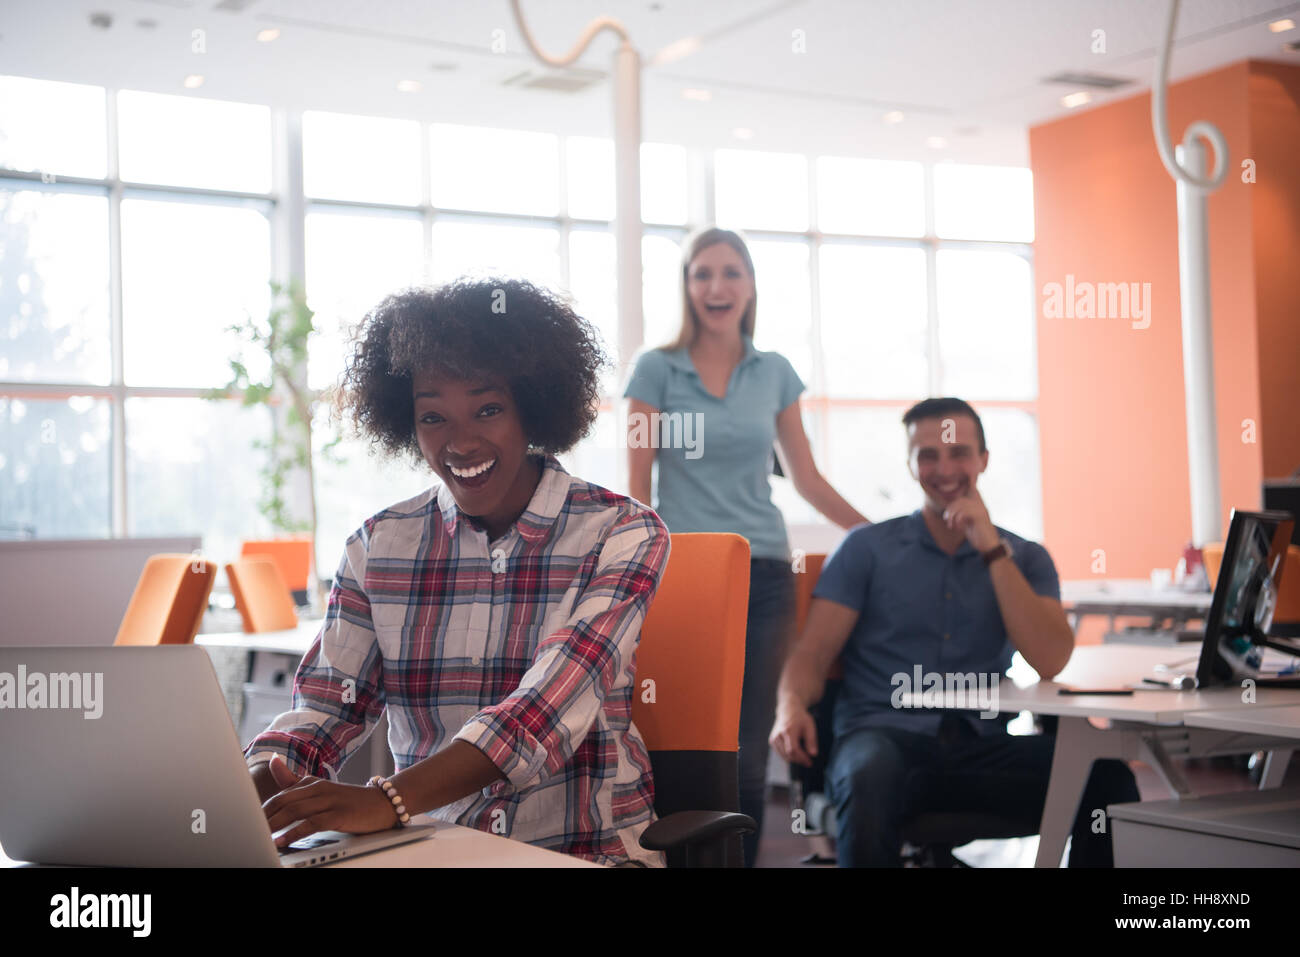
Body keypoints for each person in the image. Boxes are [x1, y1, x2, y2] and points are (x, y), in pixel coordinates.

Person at [244, 277, 670, 867]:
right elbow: (327, 706)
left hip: (580, 853)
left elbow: (542, 713)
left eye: (488, 409)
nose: (461, 442)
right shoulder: (378, 546)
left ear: (533, 407)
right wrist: (264, 777)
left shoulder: (621, 533)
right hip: (425, 854)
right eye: (433, 417)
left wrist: (389, 800)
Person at [769, 397, 1140, 867]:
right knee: (869, 773)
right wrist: (789, 708)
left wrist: (990, 548)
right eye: (927, 455)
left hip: (982, 748)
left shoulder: (1025, 558)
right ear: (910, 465)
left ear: (983, 459)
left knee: (1108, 780)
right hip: (884, 738)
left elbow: (1049, 659)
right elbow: (812, 654)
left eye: (959, 452)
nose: (944, 468)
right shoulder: (867, 549)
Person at [623, 227, 869, 866]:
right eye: (702, 273)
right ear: (686, 286)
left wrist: (878, 534)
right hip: (682, 577)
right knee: (675, 744)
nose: (716, 286)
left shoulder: (775, 373)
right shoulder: (654, 369)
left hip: (762, 572)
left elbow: (807, 480)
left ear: (751, 284)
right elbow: (637, 491)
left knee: (746, 755)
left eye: (731, 272)